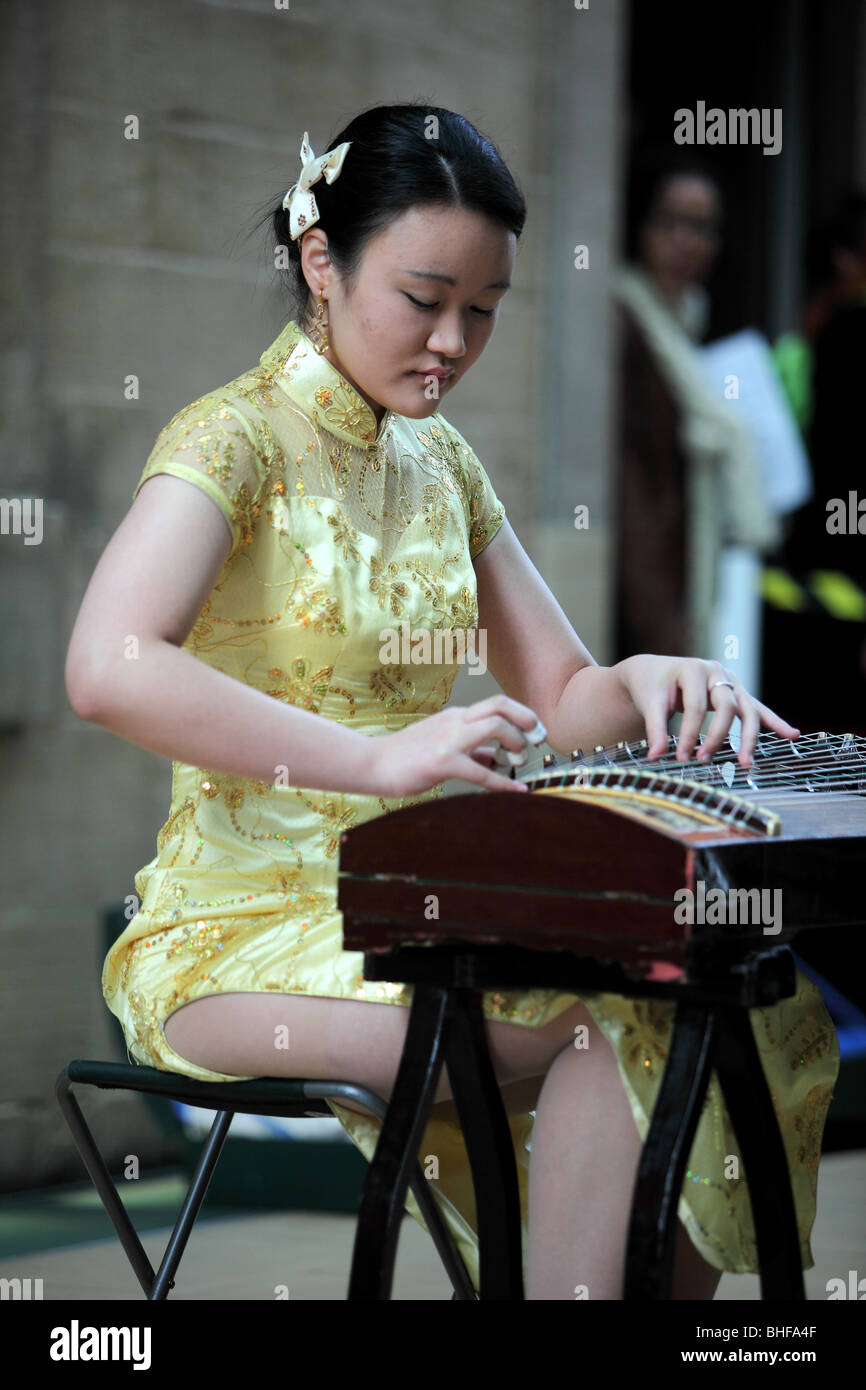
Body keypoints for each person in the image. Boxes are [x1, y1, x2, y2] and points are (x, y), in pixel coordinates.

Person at [65, 103, 838, 1300]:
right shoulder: (230, 441)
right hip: (237, 931)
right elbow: (108, 664)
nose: (452, 341)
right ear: (321, 262)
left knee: (717, 993)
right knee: (613, 1010)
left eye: (481, 309)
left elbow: (565, 691)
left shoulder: (443, 463)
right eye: (422, 299)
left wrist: (640, 680)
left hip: (422, 901)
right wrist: (374, 762)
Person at [610, 146, 780, 663]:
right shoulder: (626, 322)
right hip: (642, 591)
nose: (688, 242)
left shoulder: (693, 326)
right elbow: (633, 485)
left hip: (686, 578)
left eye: (704, 228)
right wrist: (659, 619)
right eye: (671, 222)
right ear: (640, 224)